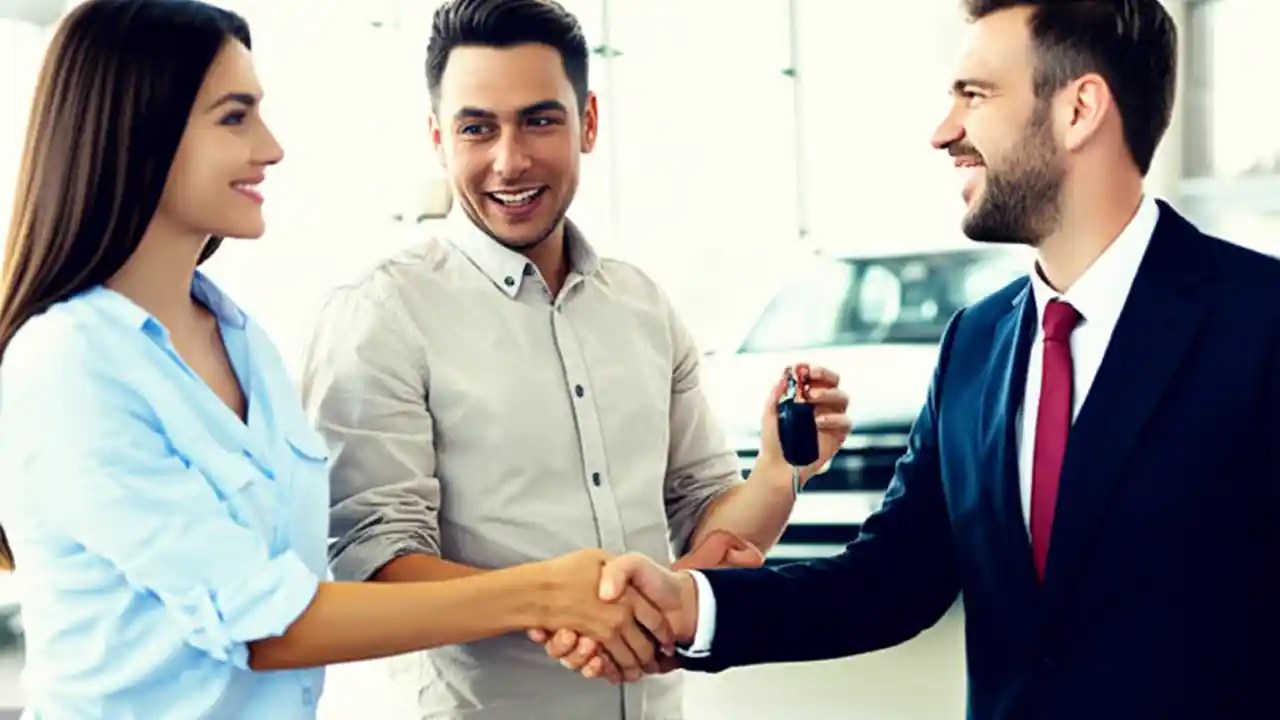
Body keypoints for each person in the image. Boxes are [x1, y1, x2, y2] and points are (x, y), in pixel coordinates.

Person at [579, 1, 1280, 718]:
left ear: (1080, 110)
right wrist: (692, 606)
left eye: (974, 94)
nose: (944, 131)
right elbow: (890, 581)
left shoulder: (1261, 323)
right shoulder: (975, 343)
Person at [0, 2, 675, 718]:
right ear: (139, 132)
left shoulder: (241, 340)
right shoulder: (67, 365)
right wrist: (544, 593)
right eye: (236, 116)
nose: (271, 147)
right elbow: (265, 621)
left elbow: (305, 590)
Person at [298, 0, 851, 716]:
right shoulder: (380, 315)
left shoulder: (642, 307)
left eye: (539, 120)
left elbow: (709, 528)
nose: (510, 159)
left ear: (587, 122)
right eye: (476, 128)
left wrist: (780, 473)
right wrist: (562, 608)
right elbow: (372, 566)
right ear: (438, 138)